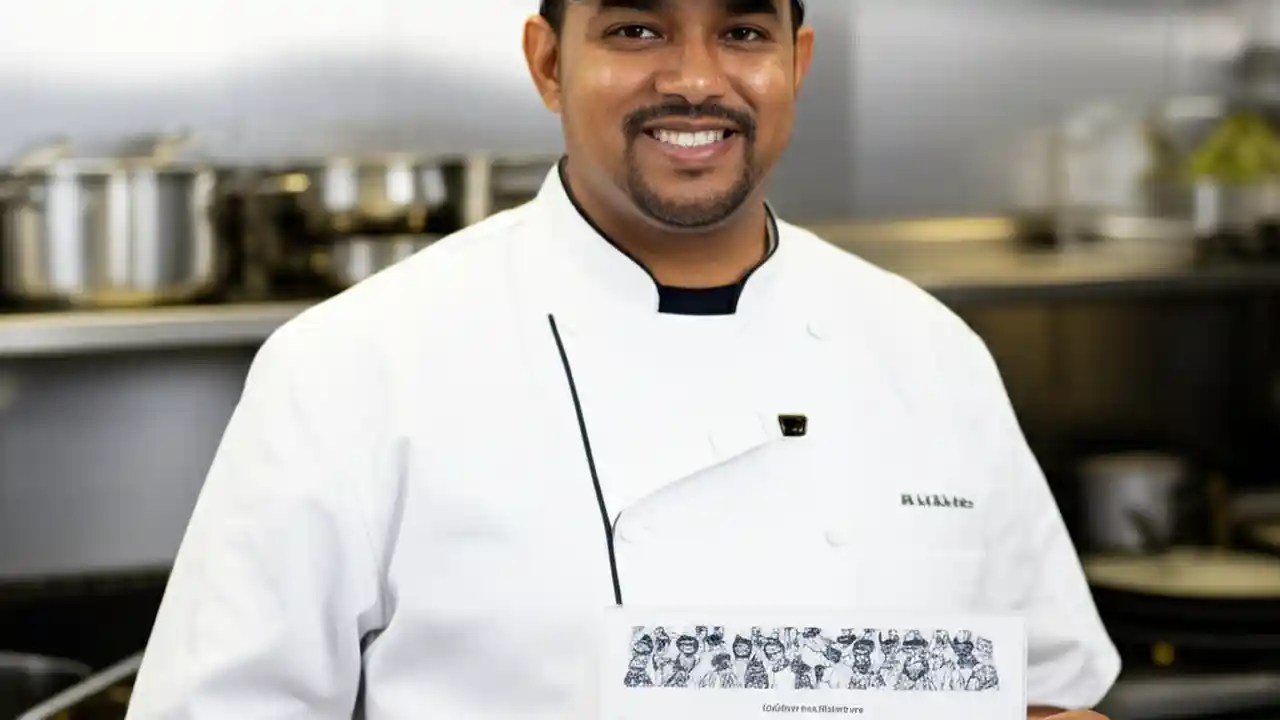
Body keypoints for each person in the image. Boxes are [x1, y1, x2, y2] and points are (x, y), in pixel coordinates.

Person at [125, 1, 1118, 718]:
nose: (694, 78)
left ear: (796, 60)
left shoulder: (930, 355)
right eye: (635, 29)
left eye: (740, 31)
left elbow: (1045, 695)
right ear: (547, 62)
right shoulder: (352, 366)